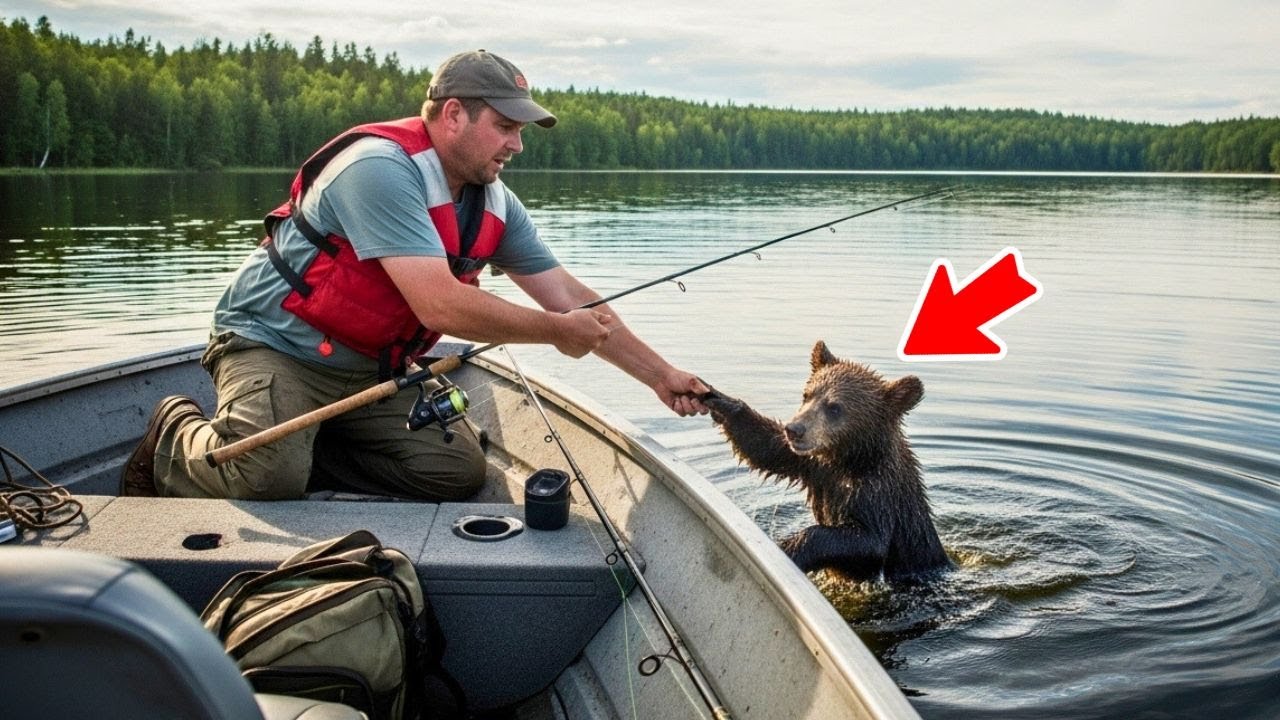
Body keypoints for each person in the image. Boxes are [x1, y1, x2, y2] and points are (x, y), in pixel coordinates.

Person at [121, 49, 709, 501]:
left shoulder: (495, 203)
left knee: (454, 472)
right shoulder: (379, 168)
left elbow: (570, 297)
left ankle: (300, 441)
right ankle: (175, 434)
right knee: (265, 478)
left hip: (370, 370)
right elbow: (441, 308)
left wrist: (660, 375)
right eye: (506, 127)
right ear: (454, 114)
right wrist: (557, 331)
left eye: (521, 131)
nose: (517, 145)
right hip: (275, 346)